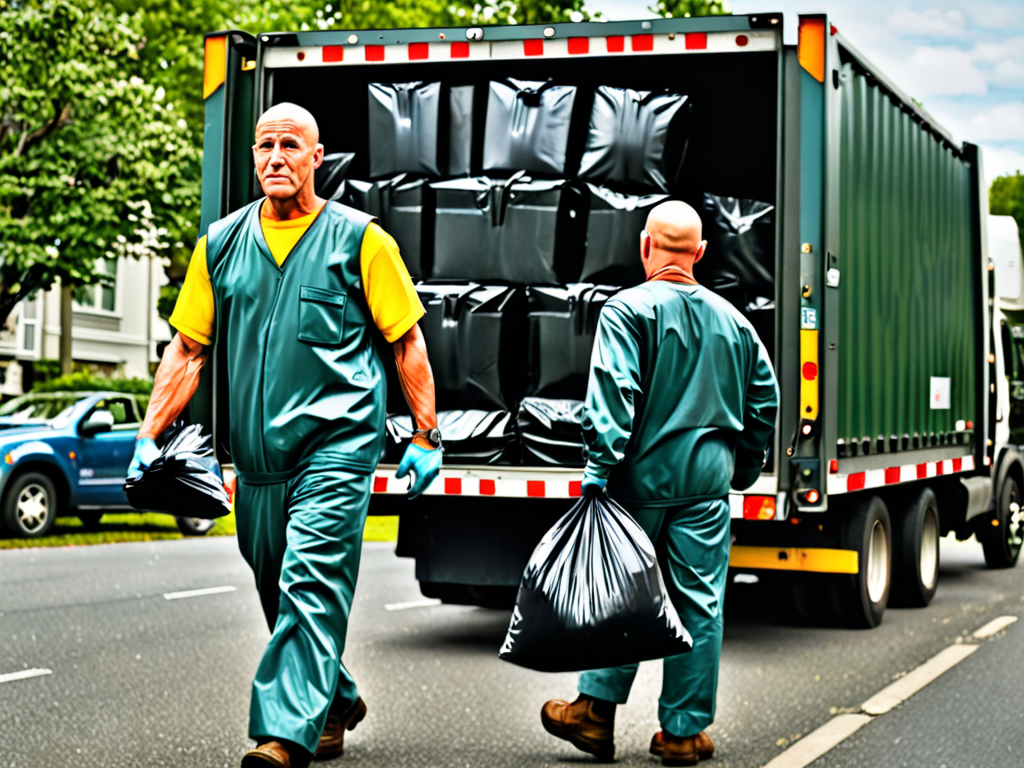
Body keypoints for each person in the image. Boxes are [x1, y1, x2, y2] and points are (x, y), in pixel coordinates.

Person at [128, 103, 443, 768]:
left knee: (309, 578)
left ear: (316, 157)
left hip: (336, 446)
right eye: (265, 146)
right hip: (258, 459)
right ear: (253, 158)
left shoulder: (362, 240)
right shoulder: (220, 244)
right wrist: (147, 435)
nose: (276, 157)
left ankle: (282, 737)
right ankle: (332, 701)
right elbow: (187, 350)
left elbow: (406, 342)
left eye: (290, 145)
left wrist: (426, 434)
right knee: (276, 583)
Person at [540, 201, 778, 766]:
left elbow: (612, 398)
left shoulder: (627, 311)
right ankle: (683, 733)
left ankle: (594, 715)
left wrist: (597, 471)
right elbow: (764, 403)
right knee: (700, 602)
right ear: (699, 254)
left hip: (636, 484)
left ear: (644, 246)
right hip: (706, 489)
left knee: (622, 597)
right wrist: (743, 469)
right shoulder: (736, 322)